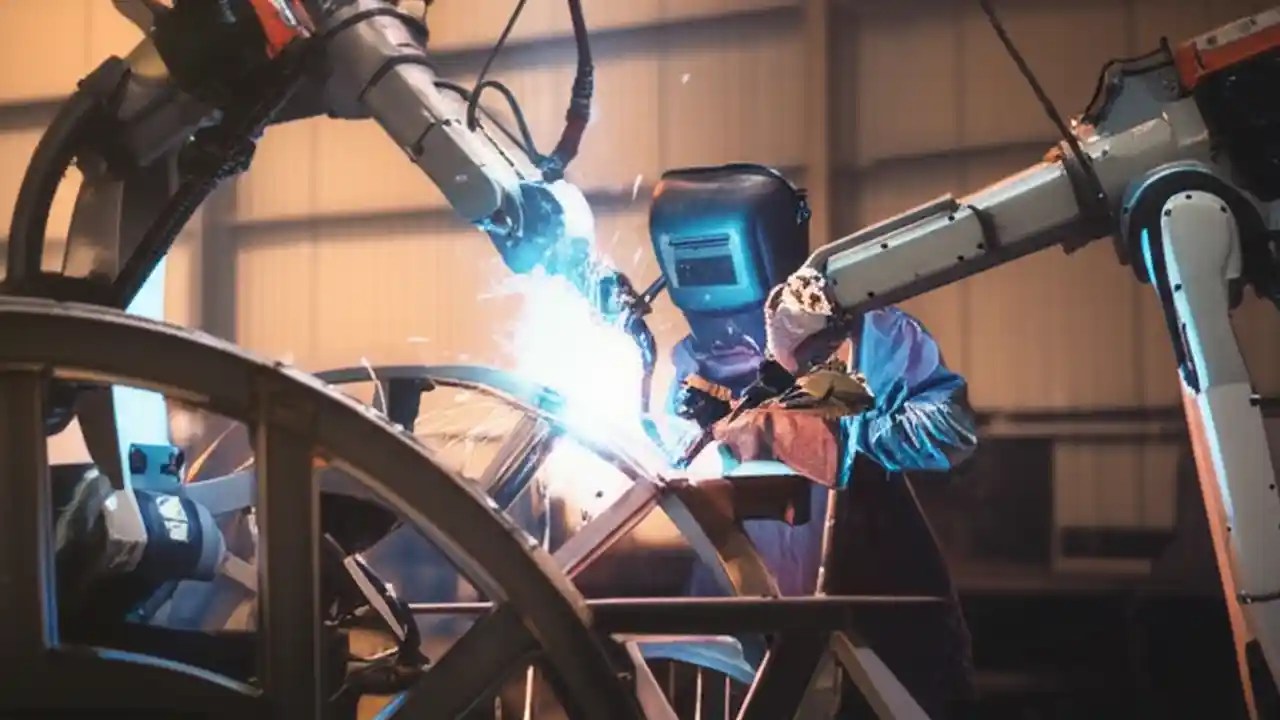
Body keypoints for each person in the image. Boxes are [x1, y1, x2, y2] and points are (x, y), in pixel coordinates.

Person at [650, 163, 978, 718]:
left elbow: (951, 431)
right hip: (739, 642)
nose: (737, 351)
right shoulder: (690, 361)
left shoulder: (864, 341)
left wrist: (837, 441)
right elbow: (672, 452)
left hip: (872, 635)